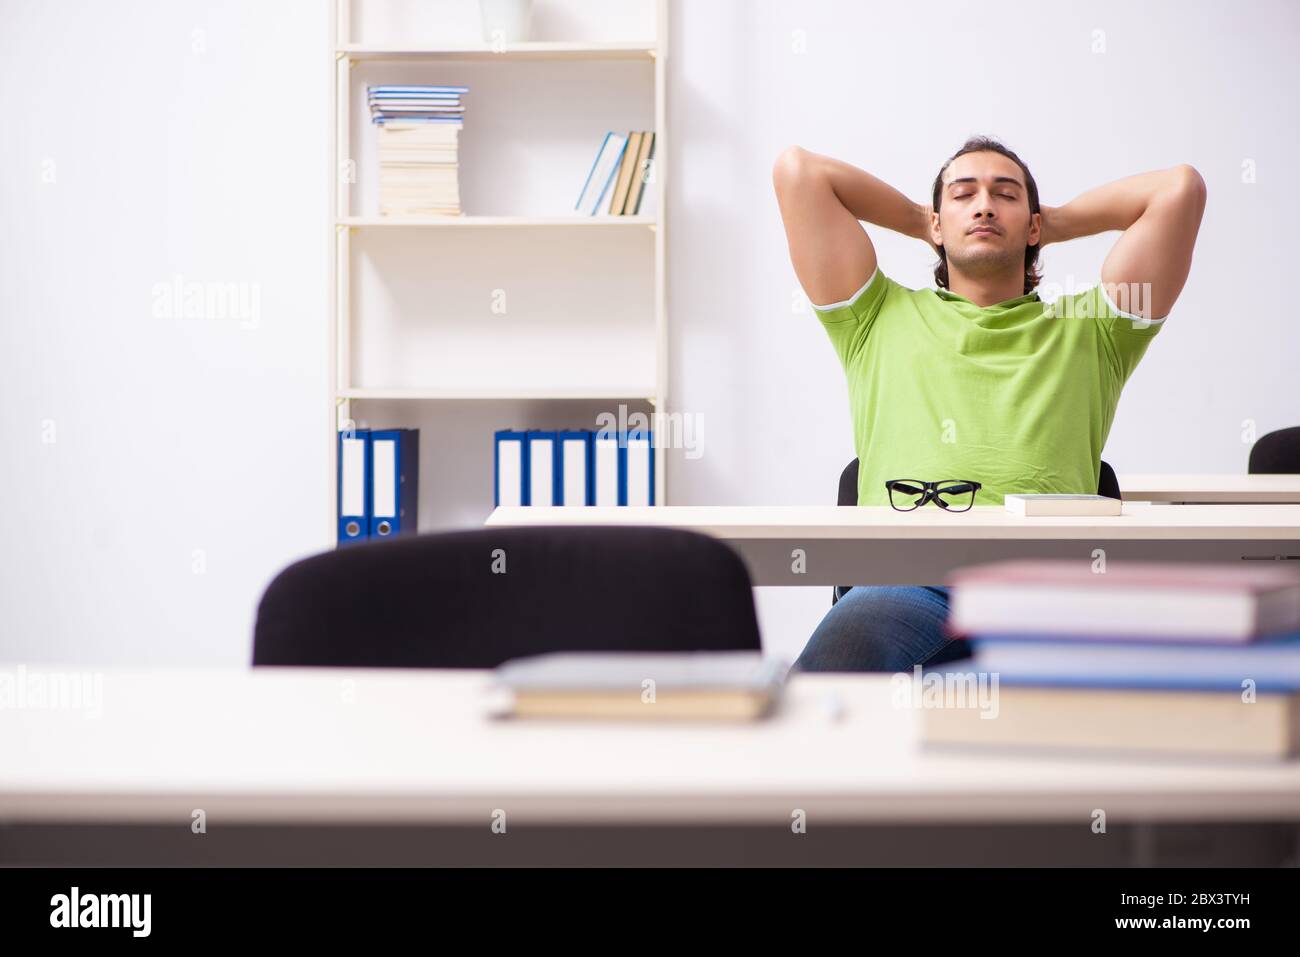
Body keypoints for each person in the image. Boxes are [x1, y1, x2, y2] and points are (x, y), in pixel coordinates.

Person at [772, 136, 1206, 672]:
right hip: (905, 586)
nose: (983, 205)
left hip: (1049, 595)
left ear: (1033, 224)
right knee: (838, 665)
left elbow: (1178, 188)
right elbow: (800, 173)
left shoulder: (1098, 328)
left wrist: (1046, 226)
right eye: (963, 195)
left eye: (1005, 194)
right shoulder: (873, 316)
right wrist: (926, 220)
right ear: (936, 223)